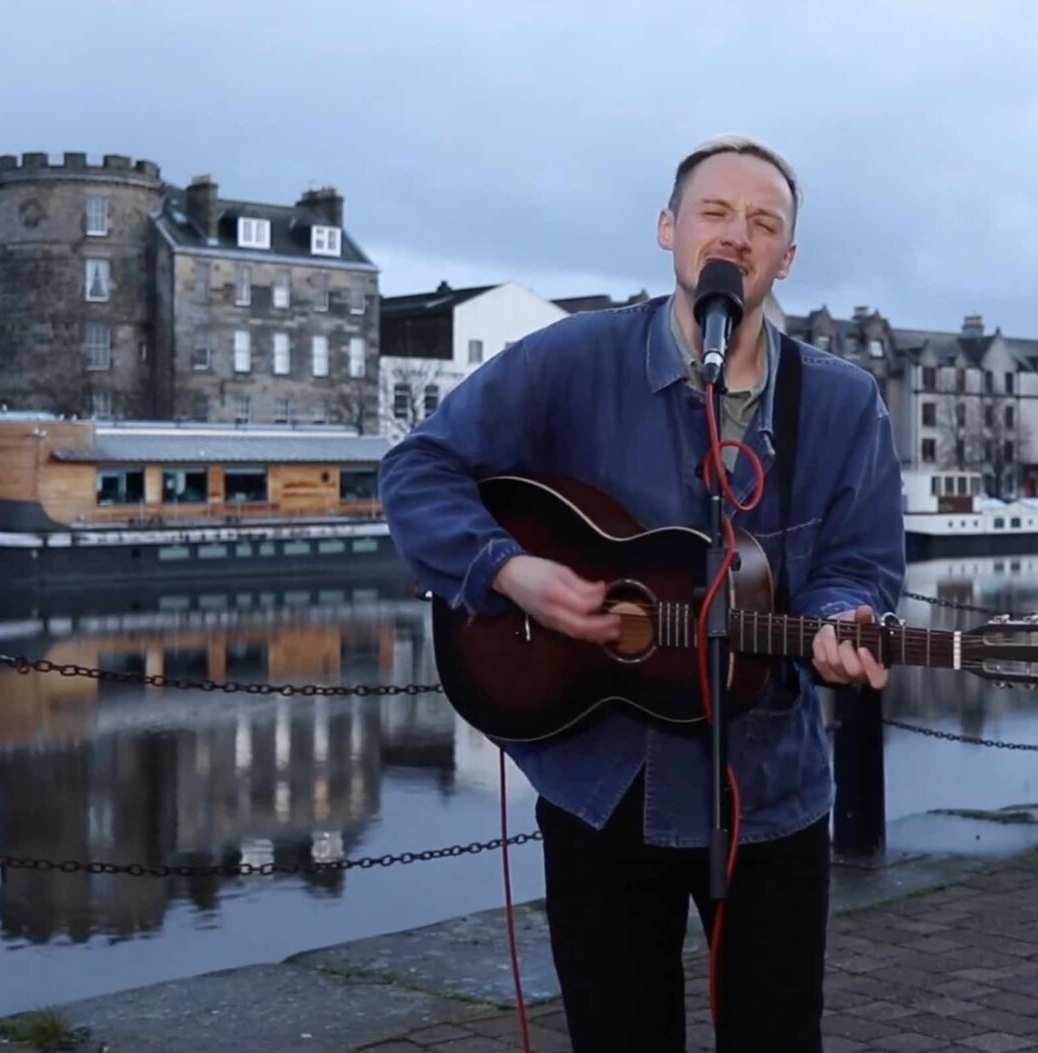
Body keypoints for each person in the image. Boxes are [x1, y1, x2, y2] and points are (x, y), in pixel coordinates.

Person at [378, 134, 905, 1052]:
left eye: (763, 222)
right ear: (668, 228)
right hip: (601, 781)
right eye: (714, 212)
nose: (736, 235)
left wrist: (838, 620)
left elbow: (859, 562)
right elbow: (418, 468)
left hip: (768, 791)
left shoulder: (842, 402)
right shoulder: (570, 360)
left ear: (787, 257)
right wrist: (508, 570)